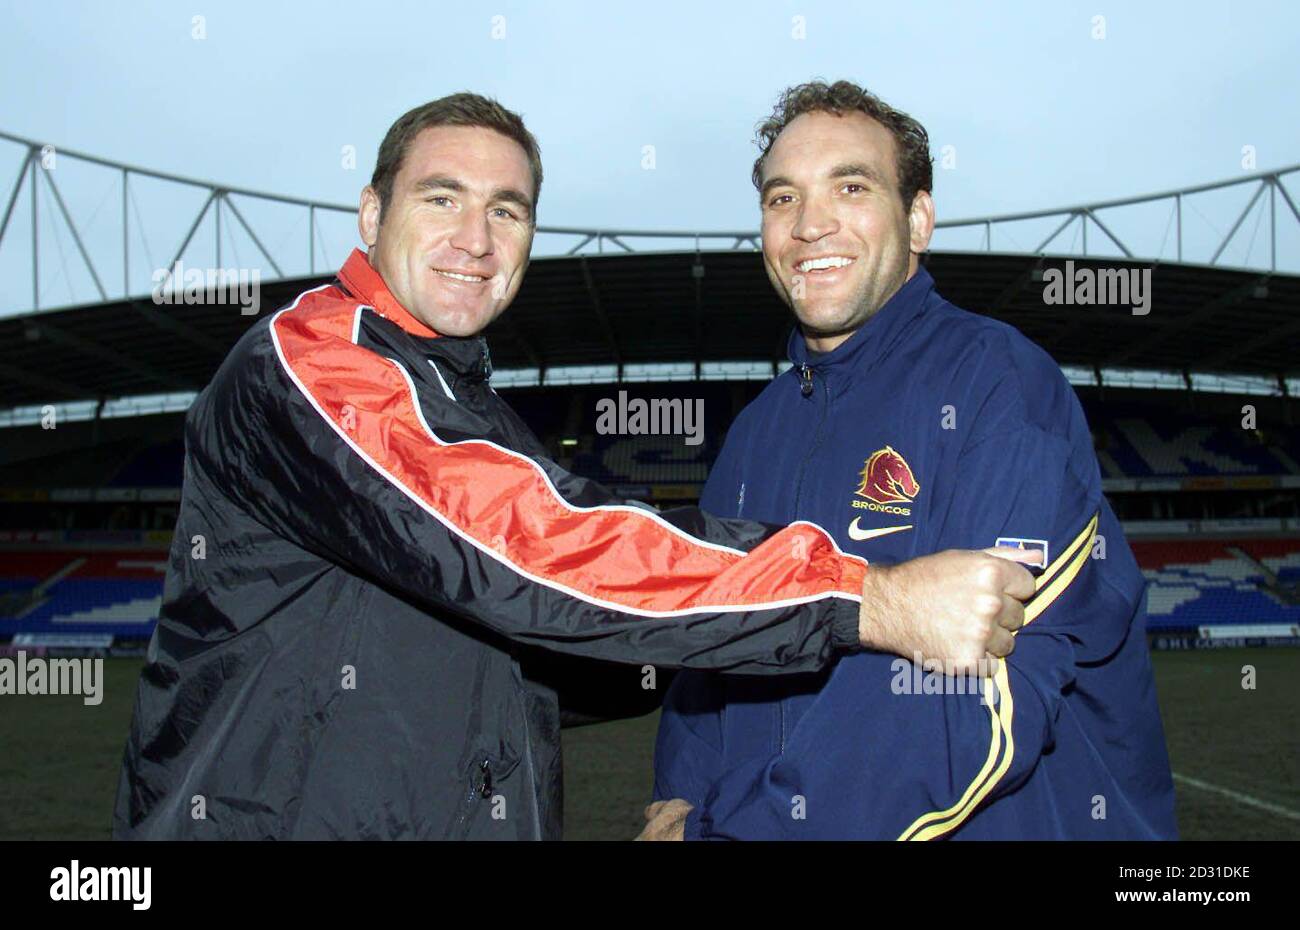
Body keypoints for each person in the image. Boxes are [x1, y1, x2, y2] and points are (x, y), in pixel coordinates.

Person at [113, 92, 1039, 840]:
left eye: (505, 210)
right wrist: (864, 600)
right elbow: (534, 549)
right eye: (441, 198)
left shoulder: (482, 418)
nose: (475, 237)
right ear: (370, 214)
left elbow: (554, 644)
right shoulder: (309, 362)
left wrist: (709, 760)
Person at [648, 80, 1177, 841]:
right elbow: (710, 658)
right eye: (782, 198)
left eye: (851, 187)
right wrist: (679, 797)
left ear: (918, 218)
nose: (810, 225)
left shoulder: (998, 381)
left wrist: (733, 832)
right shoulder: (751, 434)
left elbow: (979, 695)